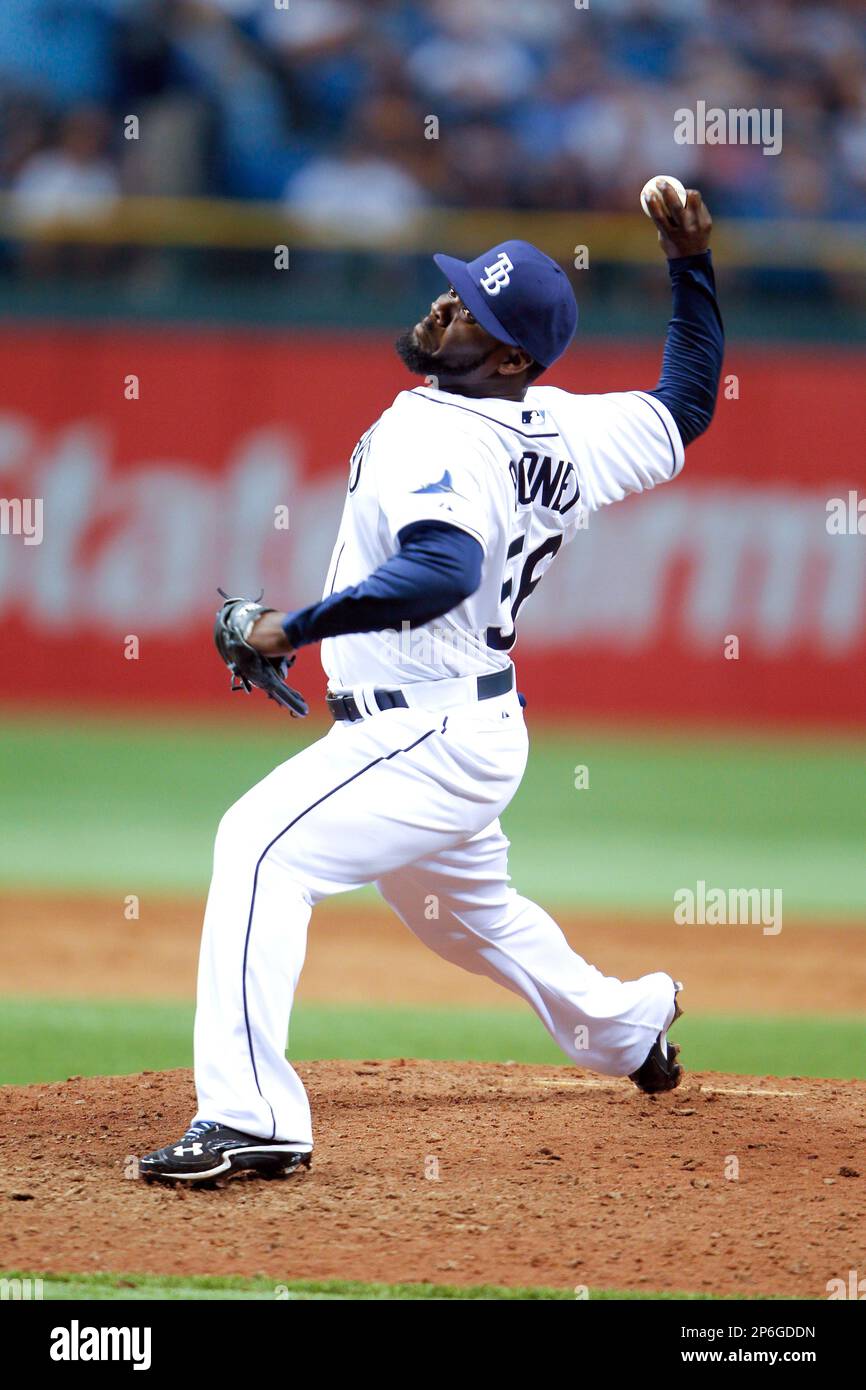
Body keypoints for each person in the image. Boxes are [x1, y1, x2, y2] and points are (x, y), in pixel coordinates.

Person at [140, 181, 723, 1184]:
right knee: (467, 915)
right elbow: (686, 403)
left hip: (422, 734)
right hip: (468, 723)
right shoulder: (560, 424)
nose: (445, 307)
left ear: (507, 356)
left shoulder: (439, 434)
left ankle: (251, 1118)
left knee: (258, 847)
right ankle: (626, 1027)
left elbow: (442, 570)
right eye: (456, 291)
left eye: (471, 314)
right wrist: (691, 265)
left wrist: (290, 626)